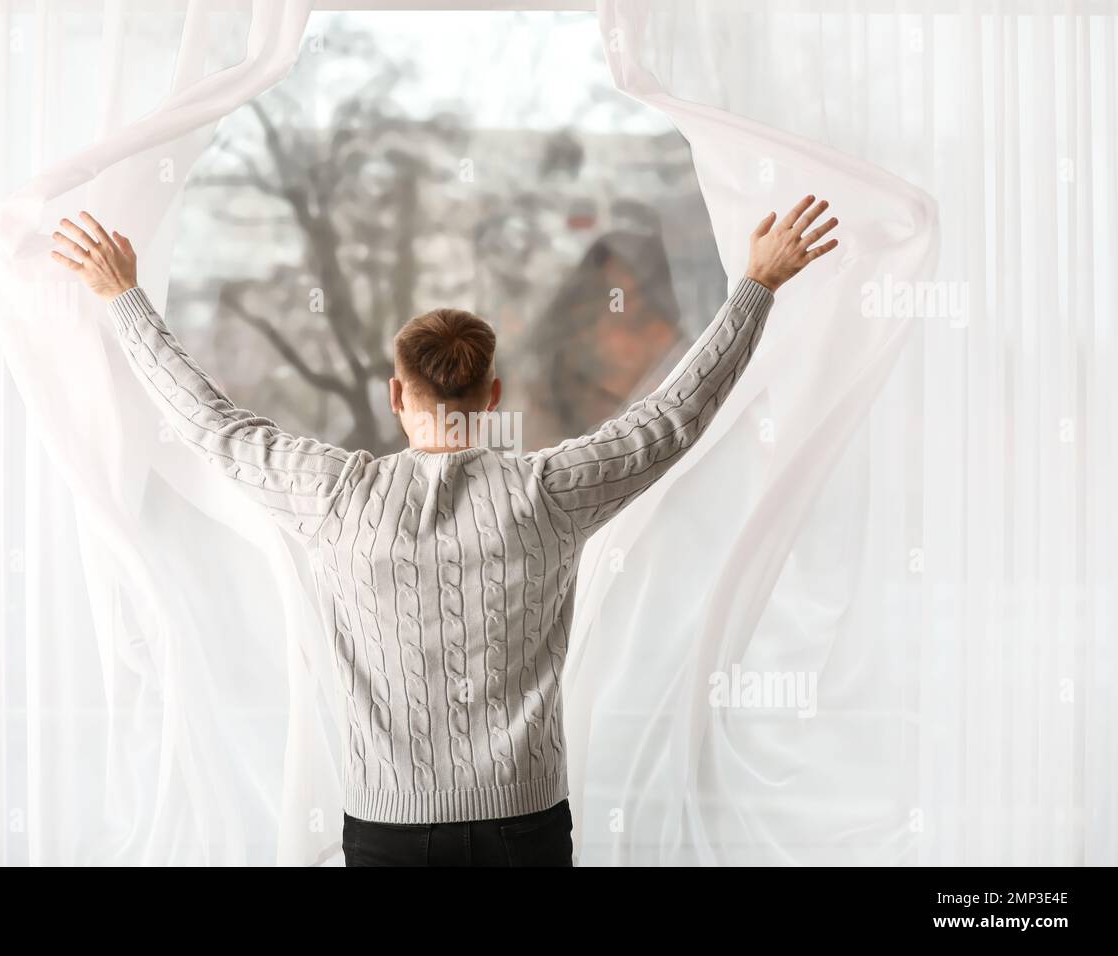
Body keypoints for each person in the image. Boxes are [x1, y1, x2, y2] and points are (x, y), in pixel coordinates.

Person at [51, 196, 838, 867]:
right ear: (492, 393)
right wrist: (758, 286)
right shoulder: (548, 493)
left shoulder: (337, 498)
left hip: (388, 829)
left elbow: (209, 423)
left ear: (399, 394)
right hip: (524, 826)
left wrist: (124, 296)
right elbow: (674, 416)